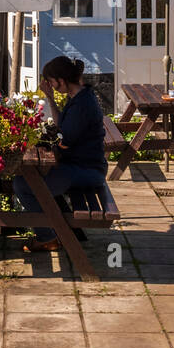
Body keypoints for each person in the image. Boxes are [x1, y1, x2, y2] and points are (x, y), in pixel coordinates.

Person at [13, 55, 113, 252]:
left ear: (61, 80)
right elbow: (62, 129)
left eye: (51, 82)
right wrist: (50, 97)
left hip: (85, 171)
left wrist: (45, 146)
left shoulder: (82, 106)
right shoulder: (79, 97)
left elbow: (63, 143)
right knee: (31, 179)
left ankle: (47, 237)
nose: (50, 85)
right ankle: (52, 230)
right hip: (81, 166)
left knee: (24, 185)